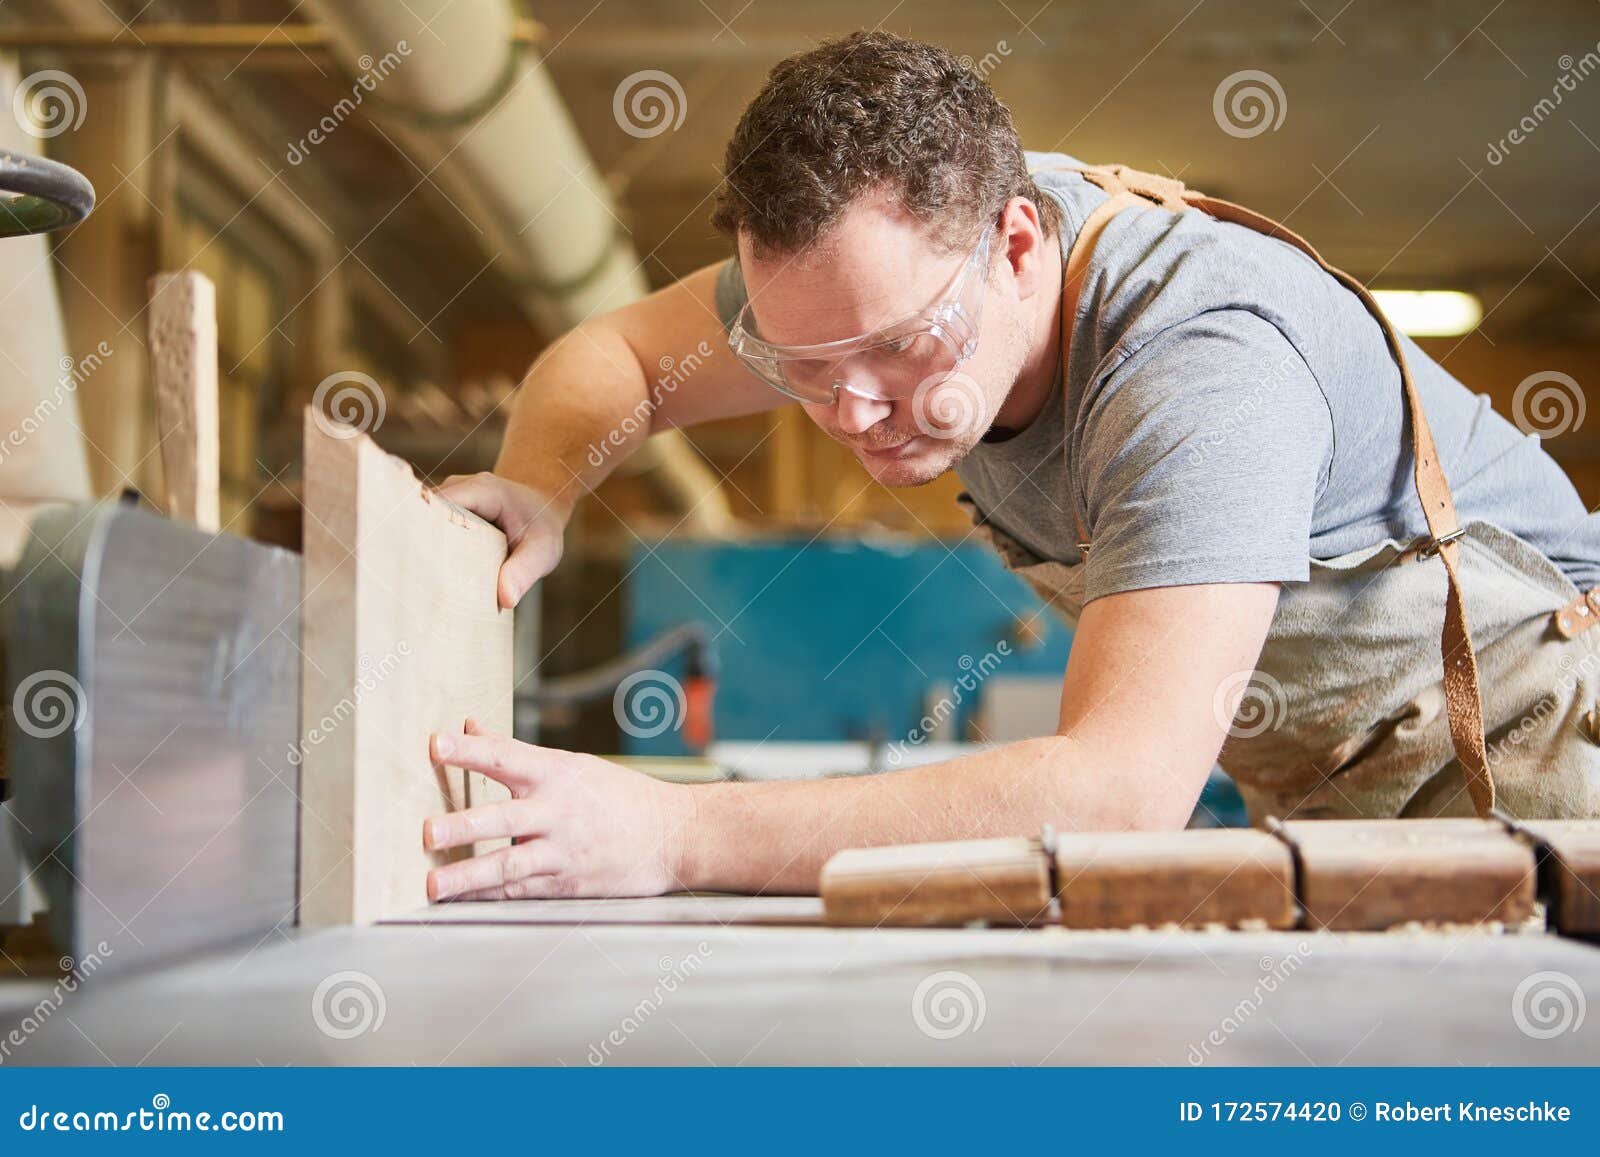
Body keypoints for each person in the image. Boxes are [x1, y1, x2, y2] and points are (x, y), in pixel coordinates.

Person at [420, 30, 1600, 904]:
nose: (851, 411)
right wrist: (540, 486)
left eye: (894, 350)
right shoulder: (855, 279)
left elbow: (1116, 794)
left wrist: (673, 837)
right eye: (803, 366)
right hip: (1355, 814)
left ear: (1018, 245)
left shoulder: (1196, 364)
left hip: (1548, 769)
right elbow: (618, 350)